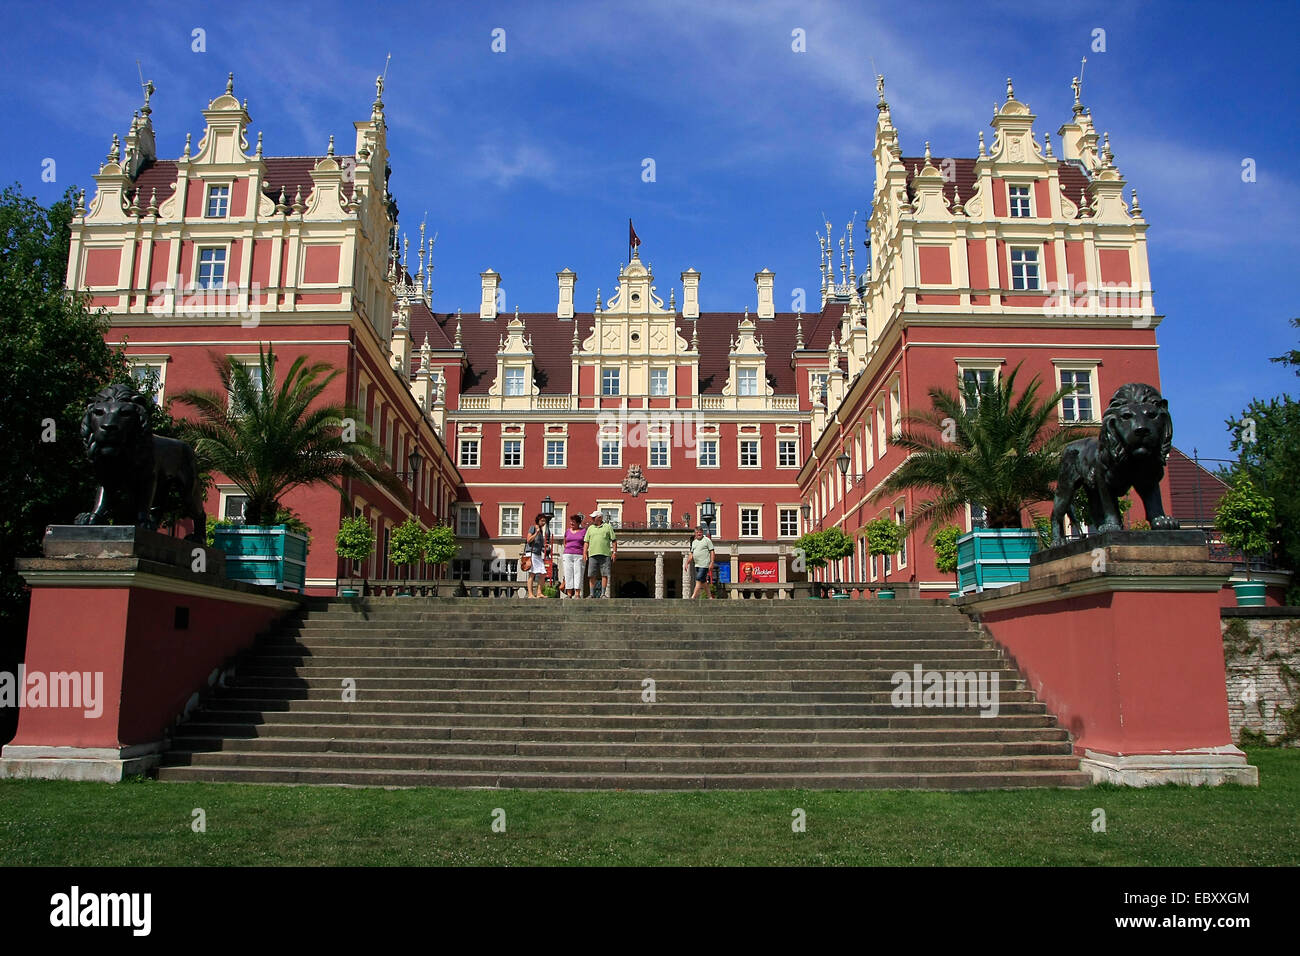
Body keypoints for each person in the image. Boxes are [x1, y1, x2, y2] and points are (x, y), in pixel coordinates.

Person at [583, 510, 617, 599]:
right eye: (592, 517)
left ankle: (603, 594)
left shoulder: (608, 527)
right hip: (592, 554)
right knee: (591, 574)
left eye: (594, 517)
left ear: (600, 518)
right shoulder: (590, 528)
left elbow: (614, 540)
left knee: (604, 574)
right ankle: (591, 594)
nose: (592, 518)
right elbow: (586, 542)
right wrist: (584, 553)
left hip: (605, 554)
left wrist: (614, 552)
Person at [523, 512, 552, 599]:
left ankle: (539, 593)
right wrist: (536, 533)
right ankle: (530, 594)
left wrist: (544, 546)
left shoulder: (541, 530)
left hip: (538, 554)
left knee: (543, 573)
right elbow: (528, 540)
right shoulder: (533, 528)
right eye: (542, 521)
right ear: (538, 521)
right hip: (532, 554)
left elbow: (540, 544)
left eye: (544, 521)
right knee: (532, 574)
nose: (543, 523)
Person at [561, 513, 585, 598]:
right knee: (568, 573)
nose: (571, 523)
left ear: (578, 523)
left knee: (578, 573)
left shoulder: (583, 531)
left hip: (579, 554)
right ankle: (569, 593)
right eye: (571, 522)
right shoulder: (567, 531)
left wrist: (585, 553)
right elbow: (565, 542)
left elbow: (586, 543)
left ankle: (577, 593)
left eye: (573, 522)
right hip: (568, 554)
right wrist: (568, 549)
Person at [688, 525, 715, 599]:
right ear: (695, 533)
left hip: (704, 564)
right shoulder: (694, 542)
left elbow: (712, 551)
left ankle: (693, 597)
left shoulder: (707, 540)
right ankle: (710, 597)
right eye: (697, 532)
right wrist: (687, 563)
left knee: (698, 579)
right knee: (703, 582)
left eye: (700, 532)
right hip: (697, 564)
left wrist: (712, 562)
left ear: (702, 532)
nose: (698, 534)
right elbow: (691, 553)